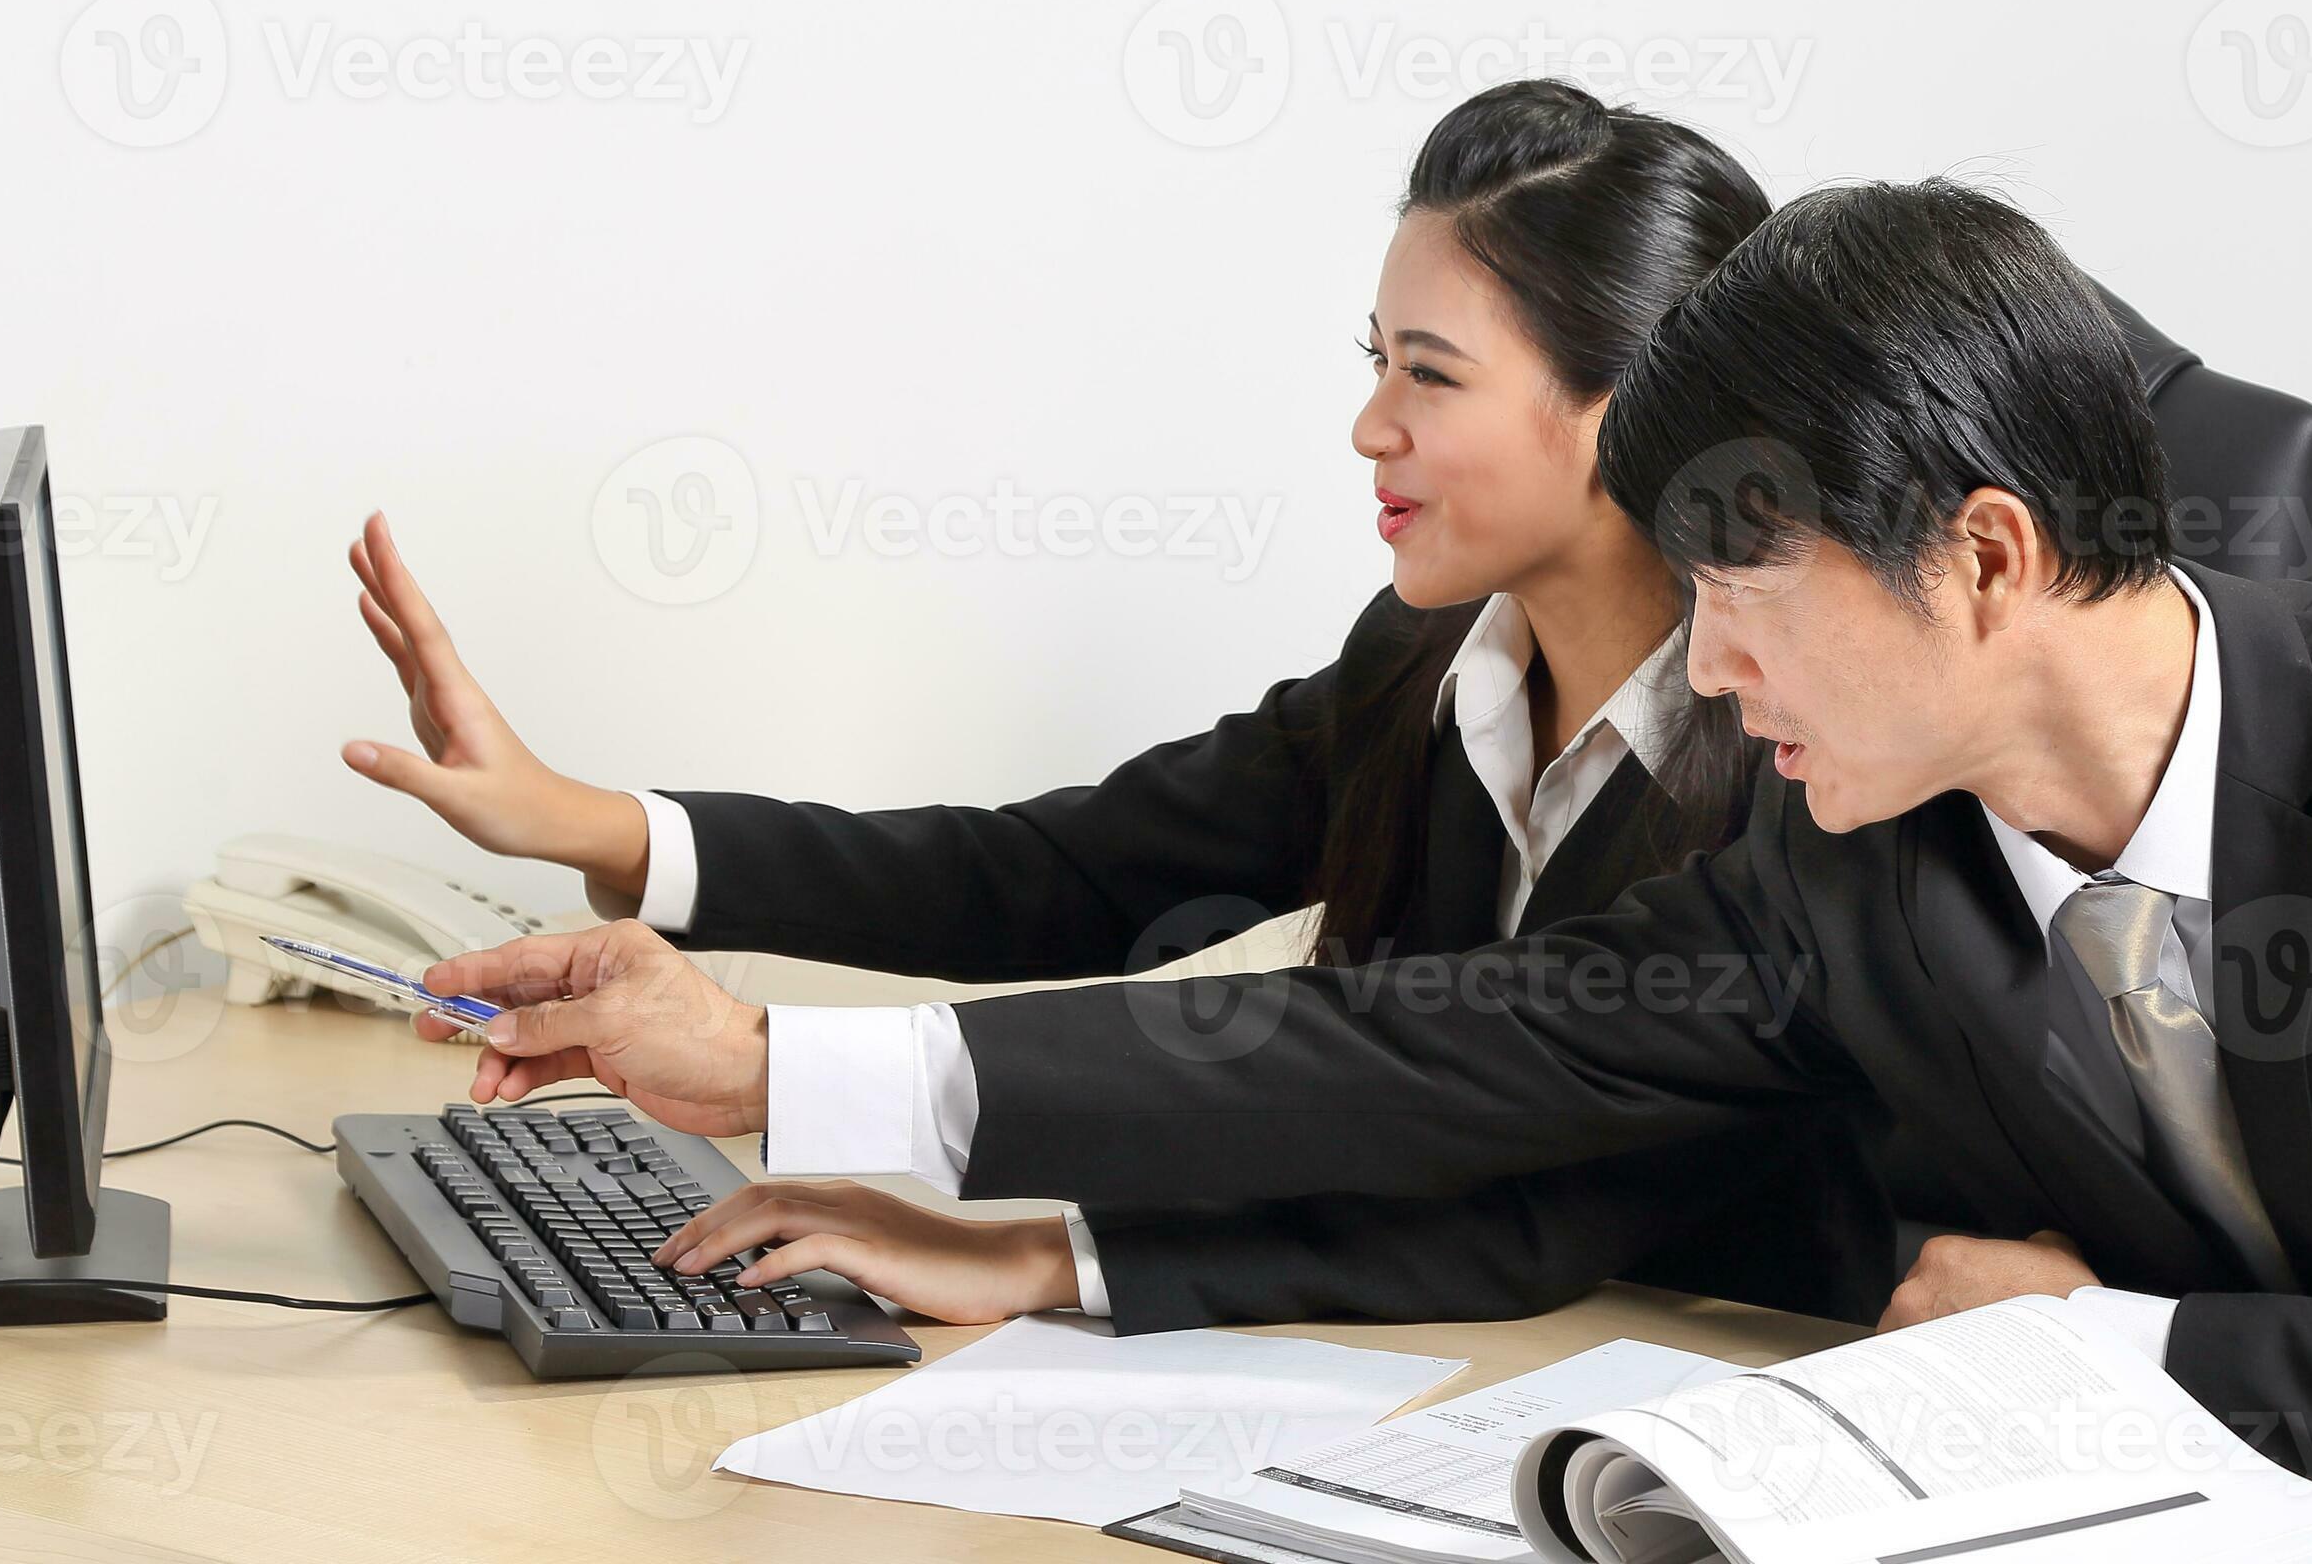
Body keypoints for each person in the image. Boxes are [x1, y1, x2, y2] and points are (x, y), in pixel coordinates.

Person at [421, 176, 2312, 1495]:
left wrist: (2127, 1347)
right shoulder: (1864, 857)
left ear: (1979, 556)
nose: (1713, 664)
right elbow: (1434, 1050)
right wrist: (804, 1085)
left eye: (1747, 593)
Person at [342, 79, 1894, 1332]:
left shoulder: (1800, 762)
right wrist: (598, 826)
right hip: (1442, 1379)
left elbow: (1524, 1195)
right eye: (1376, 362)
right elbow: (1070, 871)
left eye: (1431, 375)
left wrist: (1039, 1253)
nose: (1369, 426)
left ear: (1632, 413)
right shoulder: (1426, 666)